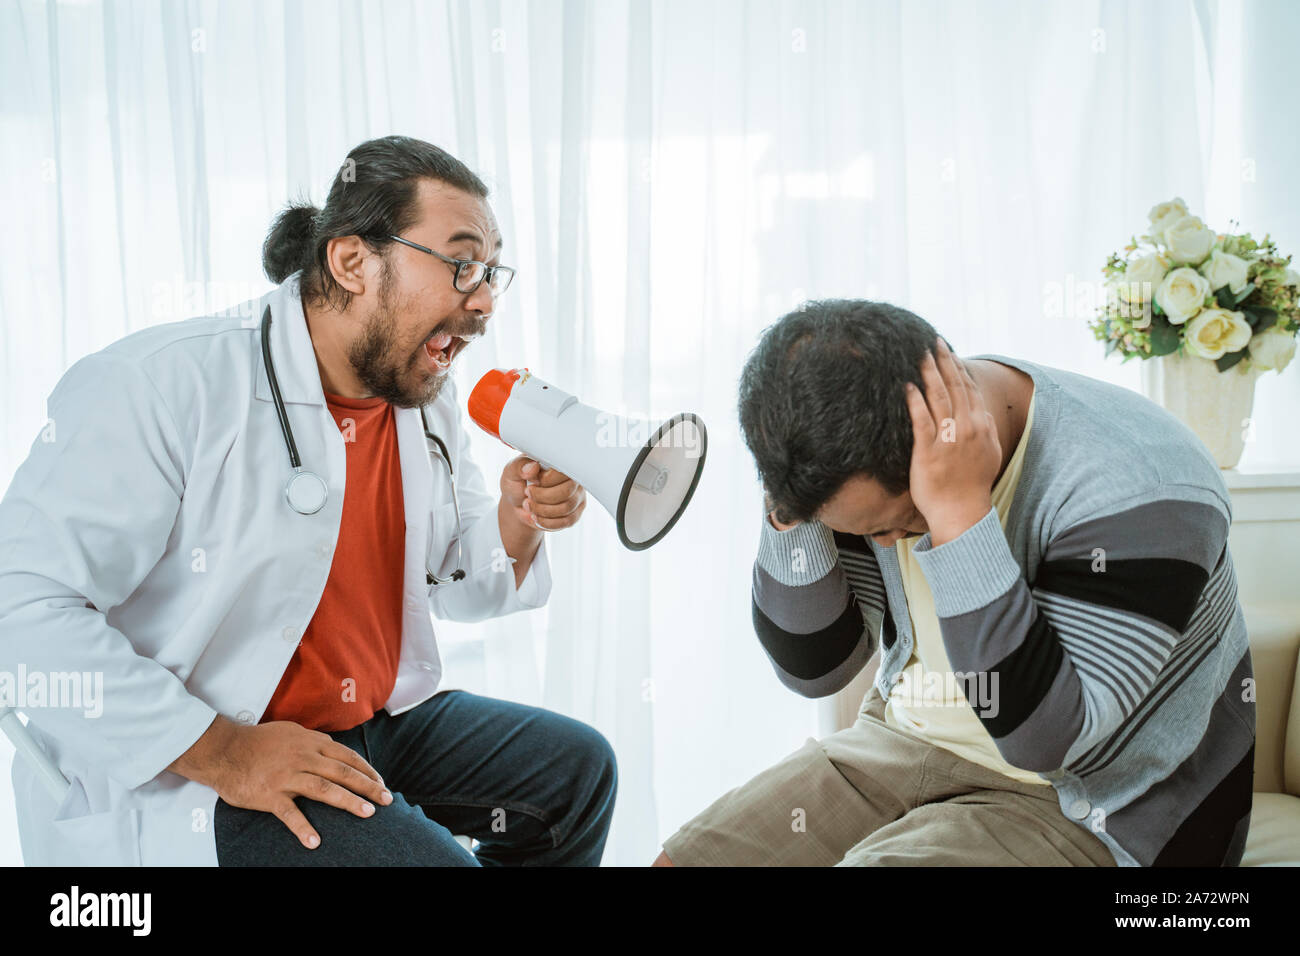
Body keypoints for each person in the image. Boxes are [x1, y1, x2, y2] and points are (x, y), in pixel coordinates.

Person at [0, 135, 616, 866]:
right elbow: (21, 608)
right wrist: (226, 752)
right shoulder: (163, 384)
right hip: (203, 761)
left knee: (575, 775)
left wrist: (517, 521)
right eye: (459, 264)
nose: (482, 300)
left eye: (489, 272)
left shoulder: (419, 400)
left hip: (367, 726)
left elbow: (458, 582)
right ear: (352, 262)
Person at [654, 299, 1254, 867]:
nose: (890, 546)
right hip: (904, 741)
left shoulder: (1139, 485)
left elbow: (1044, 742)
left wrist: (960, 517)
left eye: (897, 525)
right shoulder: (849, 456)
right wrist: (789, 509)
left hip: (1089, 802)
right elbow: (818, 668)